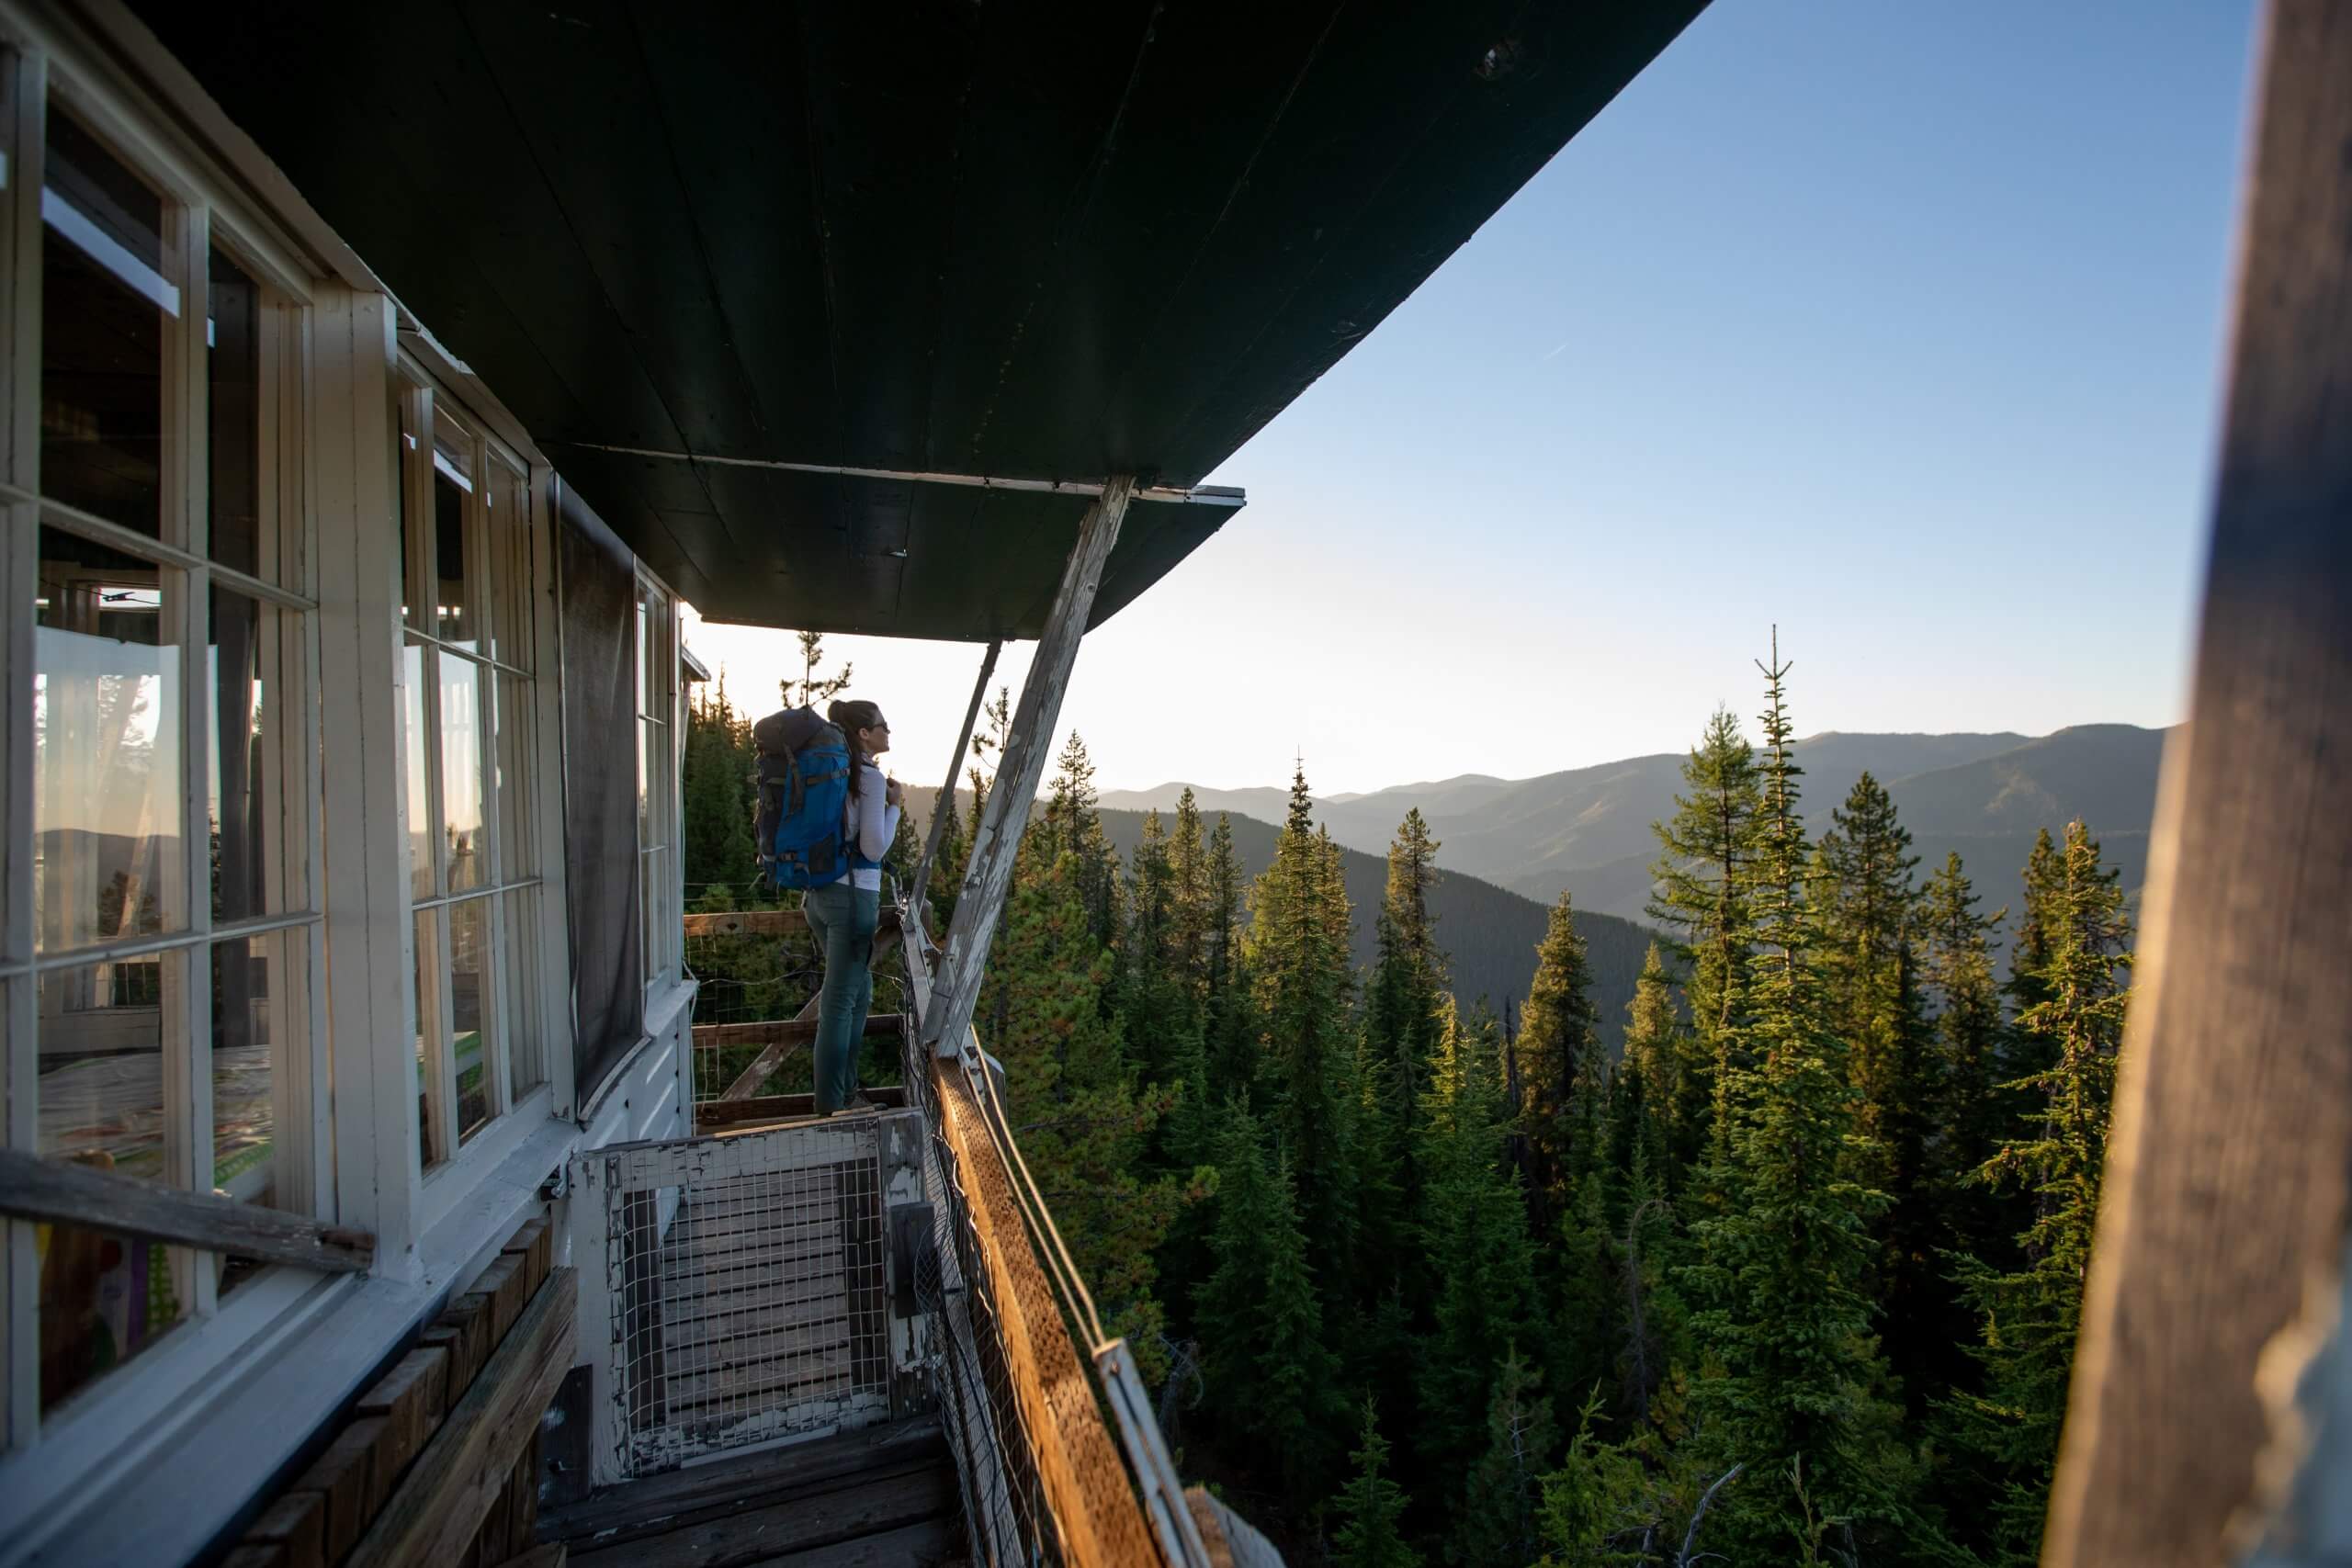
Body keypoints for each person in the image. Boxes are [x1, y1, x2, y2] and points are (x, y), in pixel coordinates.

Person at [804, 698, 902, 1114]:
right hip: (852, 898)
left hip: (818, 897)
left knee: (859, 993)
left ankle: (846, 1094)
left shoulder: (834, 770)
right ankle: (832, 1110)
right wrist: (896, 806)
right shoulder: (869, 777)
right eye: (883, 725)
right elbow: (873, 847)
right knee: (840, 1004)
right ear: (864, 733)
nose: (888, 732)